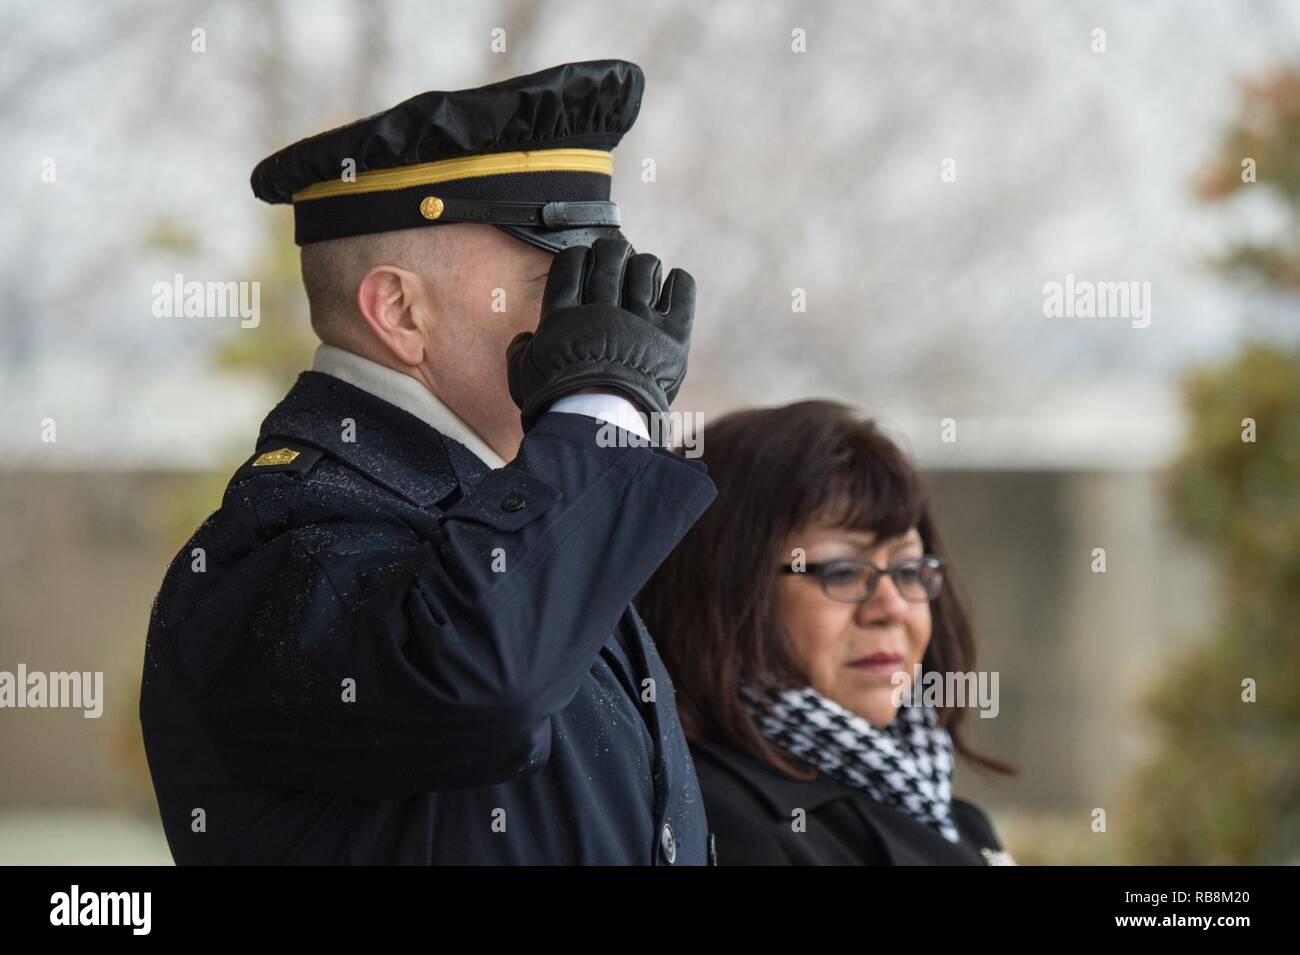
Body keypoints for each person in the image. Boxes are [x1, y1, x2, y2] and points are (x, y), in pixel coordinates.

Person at [139, 60, 720, 865]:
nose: (594, 314)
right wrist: (599, 413)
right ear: (400, 310)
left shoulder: (527, 509)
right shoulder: (278, 547)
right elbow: (482, 686)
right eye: (557, 280)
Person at [638, 400, 1016, 865]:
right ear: (724, 589)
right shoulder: (712, 825)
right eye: (841, 571)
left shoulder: (949, 814)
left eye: (909, 569)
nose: (892, 607)